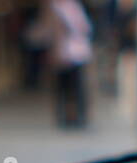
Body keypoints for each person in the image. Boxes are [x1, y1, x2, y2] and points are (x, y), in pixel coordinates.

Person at [28, 0, 93, 128]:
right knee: (68, 87)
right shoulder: (64, 6)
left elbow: (49, 30)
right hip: (69, 52)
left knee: (69, 87)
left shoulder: (59, 7)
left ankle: (72, 116)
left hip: (69, 52)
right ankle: (71, 116)